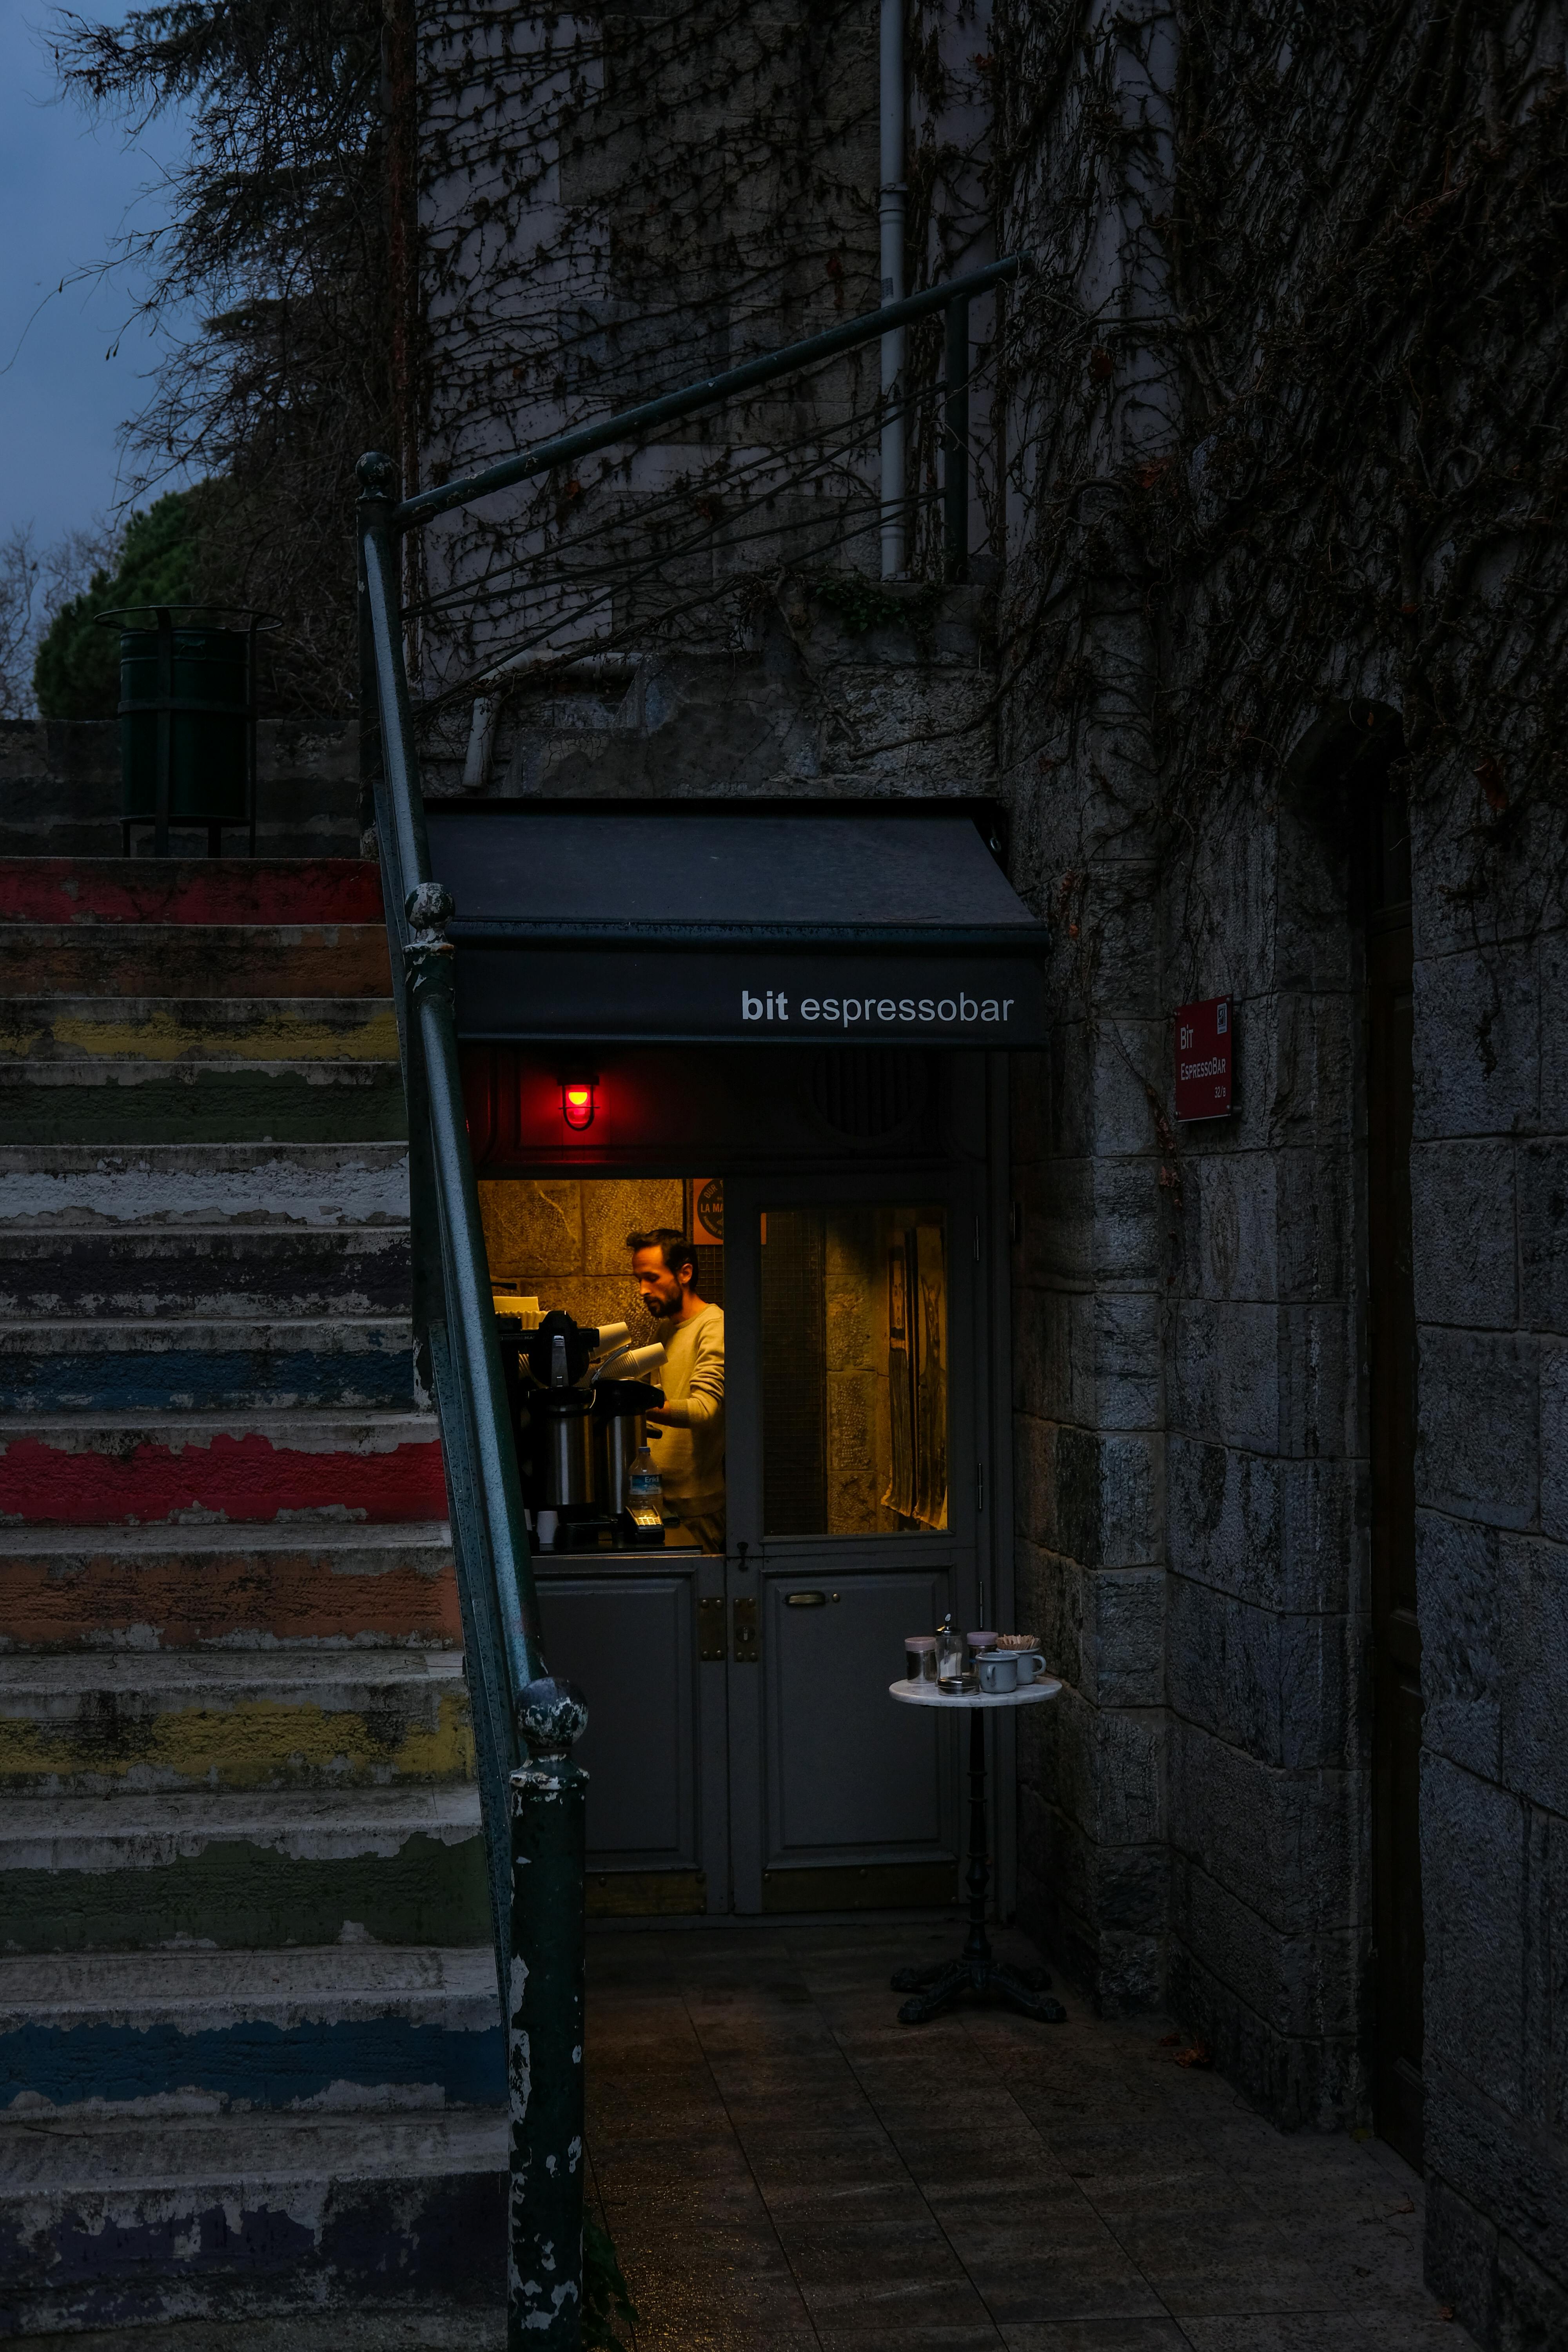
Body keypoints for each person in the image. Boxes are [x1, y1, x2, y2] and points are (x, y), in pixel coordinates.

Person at [628, 1228, 724, 1552]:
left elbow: (704, 1409)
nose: (643, 1290)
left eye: (652, 1278)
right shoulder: (666, 1328)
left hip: (698, 1510)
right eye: (639, 1279)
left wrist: (637, 1404)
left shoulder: (715, 1326)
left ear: (685, 1273)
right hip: (658, 1498)